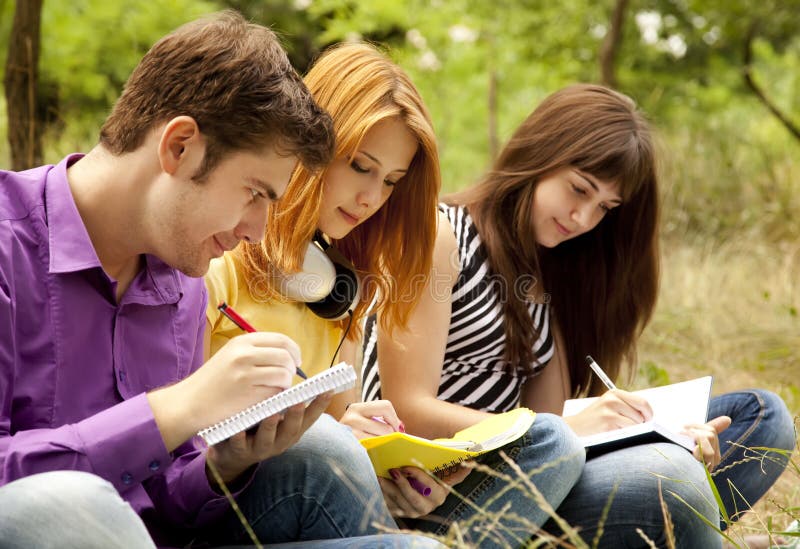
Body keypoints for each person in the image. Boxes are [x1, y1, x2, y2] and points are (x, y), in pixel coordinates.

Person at [0, 12, 442, 549]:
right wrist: (176, 408)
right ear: (180, 146)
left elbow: (165, 501)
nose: (258, 232)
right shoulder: (9, 246)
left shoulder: (184, 283)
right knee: (71, 505)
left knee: (412, 541)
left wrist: (227, 461)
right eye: (254, 192)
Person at [361, 83, 797, 547]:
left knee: (761, 419)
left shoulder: (546, 272)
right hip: (444, 493)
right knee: (671, 483)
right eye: (579, 189)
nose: (584, 218)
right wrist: (567, 429)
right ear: (540, 154)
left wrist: (656, 432)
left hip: (535, 471)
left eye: (605, 208)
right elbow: (407, 407)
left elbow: (555, 421)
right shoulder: (443, 235)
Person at [205, 42, 586, 547]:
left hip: (325, 504)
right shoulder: (216, 256)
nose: (372, 198)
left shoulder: (339, 286)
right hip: (223, 500)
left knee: (551, 441)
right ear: (311, 141)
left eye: (391, 181)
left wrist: (388, 470)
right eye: (361, 166)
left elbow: (345, 426)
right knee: (326, 452)